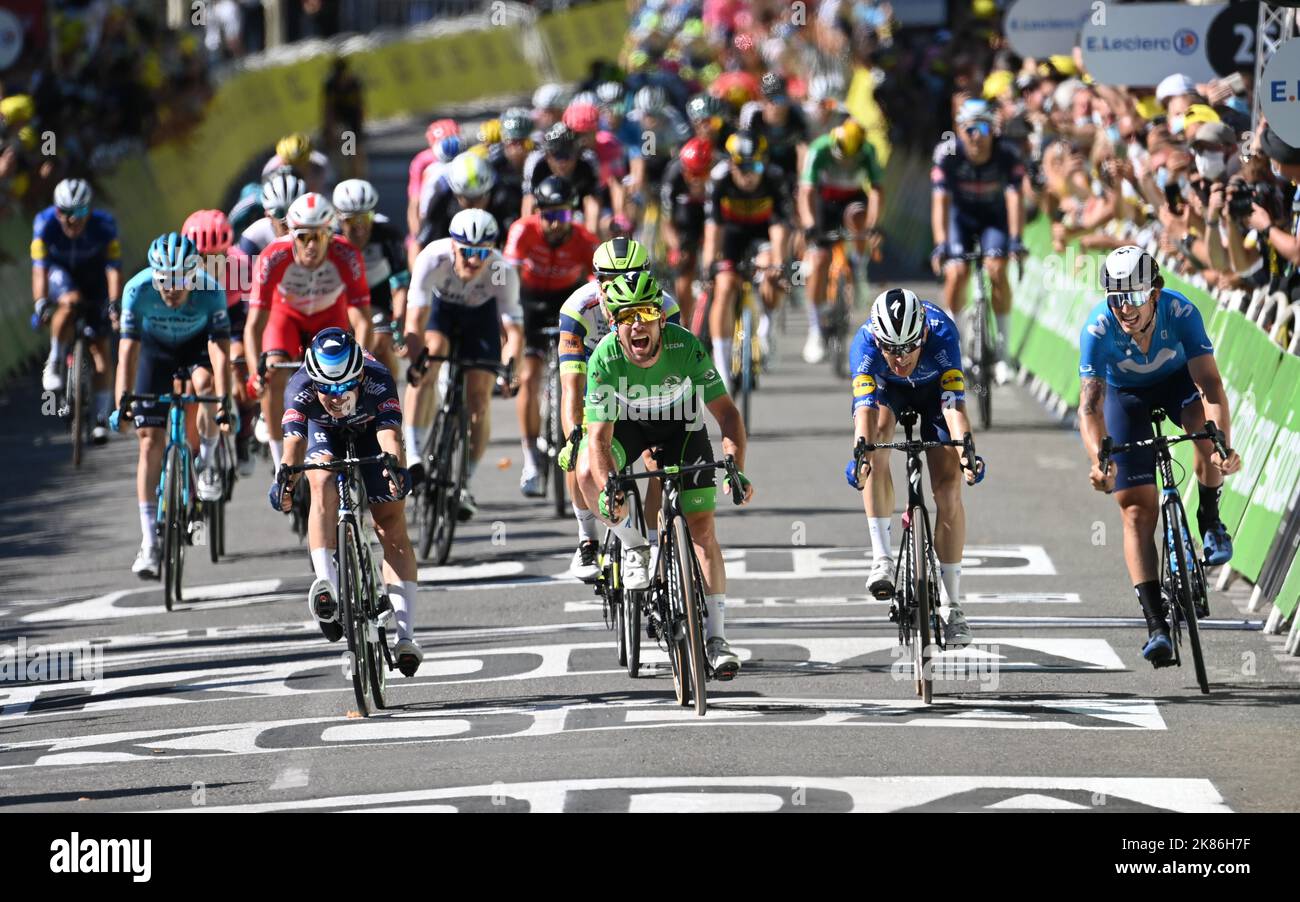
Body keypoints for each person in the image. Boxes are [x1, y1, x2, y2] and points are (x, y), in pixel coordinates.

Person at [574, 270, 754, 679]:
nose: (638, 323)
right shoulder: (604, 357)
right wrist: (609, 490)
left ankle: (717, 637)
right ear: (615, 322)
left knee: (702, 530)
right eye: (627, 316)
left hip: (681, 427)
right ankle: (634, 544)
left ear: (660, 318)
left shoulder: (684, 345)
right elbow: (599, 440)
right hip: (627, 427)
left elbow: (726, 413)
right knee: (586, 470)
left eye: (647, 313)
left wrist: (735, 468)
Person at [1077, 246, 1242, 666]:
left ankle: (1209, 520)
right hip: (1125, 397)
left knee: (1205, 440)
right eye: (1115, 298)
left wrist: (1221, 441)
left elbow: (1210, 384)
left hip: (1178, 385)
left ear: (1155, 293)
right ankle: (1155, 626)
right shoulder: (1098, 329)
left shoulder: (1181, 313)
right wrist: (1100, 461)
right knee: (1135, 511)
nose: (1124, 309)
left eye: (1133, 297)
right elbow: (1090, 408)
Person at [270, 327, 423, 677]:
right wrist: (285, 480)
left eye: (344, 387)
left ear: (359, 376)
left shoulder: (379, 379)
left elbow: (389, 437)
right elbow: (292, 444)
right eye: (326, 389)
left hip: (371, 433)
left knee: (390, 523)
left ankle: (405, 636)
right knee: (320, 478)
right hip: (323, 433)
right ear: (314, 380)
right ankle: (326, 584)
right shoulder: (299, 386)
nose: (336, 397)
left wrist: (394, 469)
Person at [846, 288, 986, 648]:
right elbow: (864, 410)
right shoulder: (864, 345)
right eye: (890, 349)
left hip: (934, 394)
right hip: (889, 395)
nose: (900, 357)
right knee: (876, 444)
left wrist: (968, 450)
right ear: (878, 340)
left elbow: (954, 405)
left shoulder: (943, 333)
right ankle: (881, 558)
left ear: (923, 334)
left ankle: (953, 606)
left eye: (909, 347)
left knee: (948, 488)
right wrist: (860, 452)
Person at [108, 233, 232, 578]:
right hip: (154, 352)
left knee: (205, 386)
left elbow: (220, 353)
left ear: (194, 276)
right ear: (155, 275)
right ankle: (149, 540)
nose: (172, 291)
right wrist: (123, 400)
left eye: (181, 282)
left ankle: (206, 461)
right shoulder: (137, 290)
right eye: (165, 281)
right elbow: (127, 352)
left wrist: (226, 402)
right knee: (149, 440)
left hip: (195, 348)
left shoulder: (210, 290)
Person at [557, 237, 682, 579]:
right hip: (597, 385)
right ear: (596, 280)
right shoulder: (577, 309)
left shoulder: (664, 307)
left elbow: (674, 370)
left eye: (631, 275)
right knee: (581, 445)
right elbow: (571, 386)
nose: (620, 286)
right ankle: (587, 539)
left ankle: (656, 548)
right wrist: (573, 433)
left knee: (659, 463)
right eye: (610, 280)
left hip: (644, 387)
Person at [404, 209, 523, 517]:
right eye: (467, 252)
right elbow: (414, 322)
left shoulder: (501, 269)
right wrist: (417, 360)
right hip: (441, 312)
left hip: (480, 318)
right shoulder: (432, 257)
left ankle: (464, 482)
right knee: (430, 358)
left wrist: (511, 369)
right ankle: (415, 456)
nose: (473, 260)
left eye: (481, 252)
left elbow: (513, 331)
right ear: (453, 246)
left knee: (479, 399)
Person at [244, 192, 371, 475]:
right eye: (303, 237)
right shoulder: (272, 256)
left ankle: (341, 447)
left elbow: (362, 321)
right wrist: (256, 375)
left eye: (319, 237)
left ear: (330, 234)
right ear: (291, 235)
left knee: (342, 377)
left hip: (329, 318)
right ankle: (282, 466)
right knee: (273, 372)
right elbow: (254, 325)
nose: (311, 245)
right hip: (286, 318)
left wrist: (360, 367)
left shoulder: (347, 254)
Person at [504, 176, 600, 496]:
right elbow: (508, 278)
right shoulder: (523, 230)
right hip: (529, 302)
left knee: (576, 375)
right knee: (529, 377)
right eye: (547, 215)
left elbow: (598, 285)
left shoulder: (585, 239)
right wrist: (510, 327)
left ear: (571, 214)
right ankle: (531, 458)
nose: (553, 223)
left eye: (561, 215)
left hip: (568, 303)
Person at [930, 98, 1025, 383]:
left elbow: (1014, 198)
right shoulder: (946, 153)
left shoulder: (1007, 152)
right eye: (970, 129)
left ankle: (1004, 353)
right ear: (959, 130)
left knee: (997, 269)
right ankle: (952, 346)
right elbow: (940, 203)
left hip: (993, 219)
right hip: (960, 218)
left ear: (993, 130)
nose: (976, 137)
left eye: (983, 129)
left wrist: (1016, 240)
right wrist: (941, 244)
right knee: (957, 272)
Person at [32, 178, 124, 444]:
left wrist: (114, 301)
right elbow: (40, 270)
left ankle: (100, 419)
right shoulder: (44, 224)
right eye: (66, 214)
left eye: (80, 213)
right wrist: (40, 301)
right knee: (69, 301)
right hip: (63, 275)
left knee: (101, 350)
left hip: (94, 278)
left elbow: (113, 267)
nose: (72, 221)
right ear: (56, 211)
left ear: (90, 210)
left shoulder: (105, 225)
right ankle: (56, 359)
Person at [701, 130, 791, 388]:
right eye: (742, 166)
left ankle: (767, 327)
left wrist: (779, 263)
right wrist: (710, 265)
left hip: (764, 231)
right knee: (725, 285)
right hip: (732, 233)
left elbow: (780, 227)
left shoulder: (774, 178)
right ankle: (721, 363)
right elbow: (713, 226)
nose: (749, 173)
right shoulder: (719, 179)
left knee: (771, 270)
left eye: (756, 165)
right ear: (731, 163)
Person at [798, 117, 883, 364]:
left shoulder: (867, 150)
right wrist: (809, 224)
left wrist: (874, 225)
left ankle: (858, 264)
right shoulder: (820, 148)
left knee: (858, 216)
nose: (845, 162)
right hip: (824, 200)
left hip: (852, 198)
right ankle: (815, 329)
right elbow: (806, 192)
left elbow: (877, 190)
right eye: (841, 157)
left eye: (850, 159)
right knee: (820, 257)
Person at [182, 208, 257, 476]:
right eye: (202, 259)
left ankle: (243, 434)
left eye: (217, 257)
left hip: (231, 319)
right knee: (191, 387)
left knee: (238, 365)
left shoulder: (242, 265)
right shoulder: (178, 270)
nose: (209, 265)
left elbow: (253, 319)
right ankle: (193, 454)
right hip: (196, 324)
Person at [332, 179, 409, 378]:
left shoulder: (388, 235)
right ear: (339, 219)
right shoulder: (330, 237)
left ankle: (388, 396)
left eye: (365, 218)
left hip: (376, 297)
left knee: (381, 343)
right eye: (351, 220)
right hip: (338, 298)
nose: (360, 228)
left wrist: (399, 322)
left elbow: (400, 283)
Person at [660, 137, 713, 324]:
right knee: (683, 266)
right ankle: (685, 321)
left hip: (712, 223)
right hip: (685, 221)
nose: (697, 181)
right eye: (692, 174)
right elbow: (667, 222)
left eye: (702, 174)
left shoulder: (718, 177)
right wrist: (676, 248)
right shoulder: (673, 176)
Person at [236, 171, 306, 258]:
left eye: (295, 212)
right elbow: (235, 271)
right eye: (280, 213)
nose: (288, 220)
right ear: (268, 214)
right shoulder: (253, 237)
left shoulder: (316, 230)